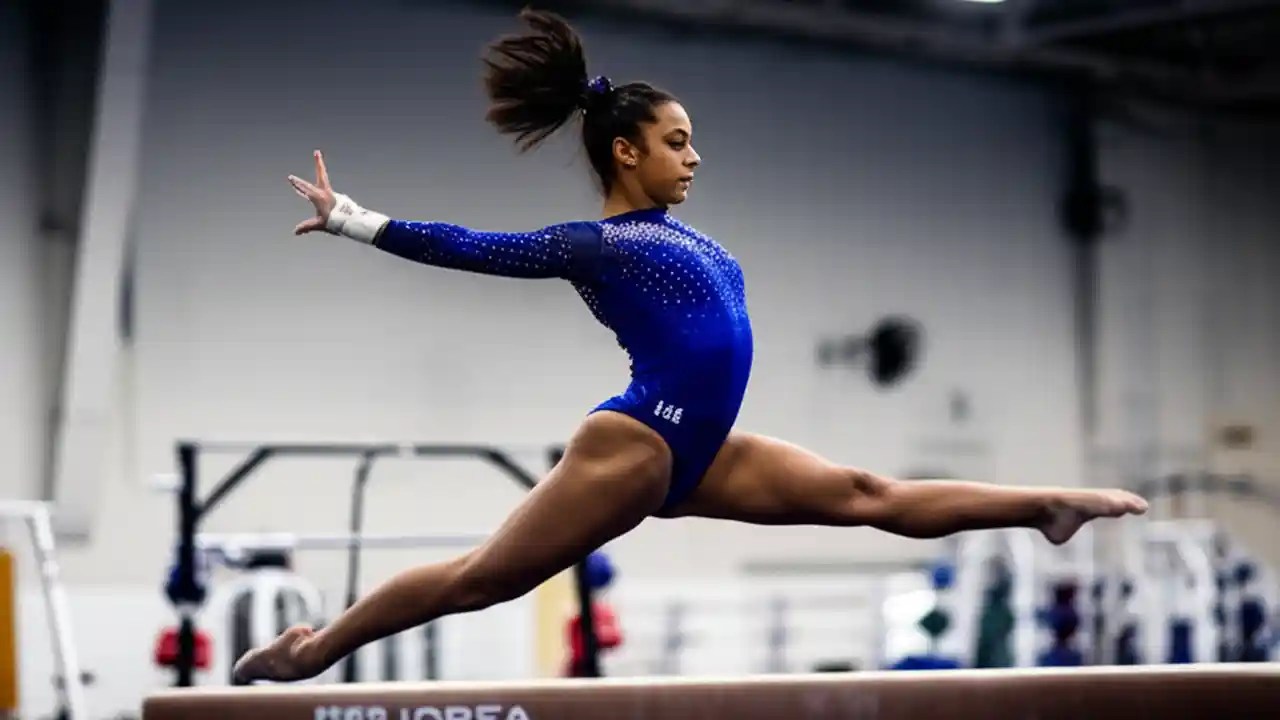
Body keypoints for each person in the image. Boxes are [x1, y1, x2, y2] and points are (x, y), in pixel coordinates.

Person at [232, 8, 1147, 683]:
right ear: (625, 152)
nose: (694, 157)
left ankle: (1044, 506)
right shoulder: (598, 243)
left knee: (870, 494)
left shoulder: (693, 238)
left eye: (693, 142)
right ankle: (314, 649)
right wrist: (353, 220)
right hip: (640, 439)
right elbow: (473, 247)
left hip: (699, 448)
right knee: (483, 581)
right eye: (676, 142)